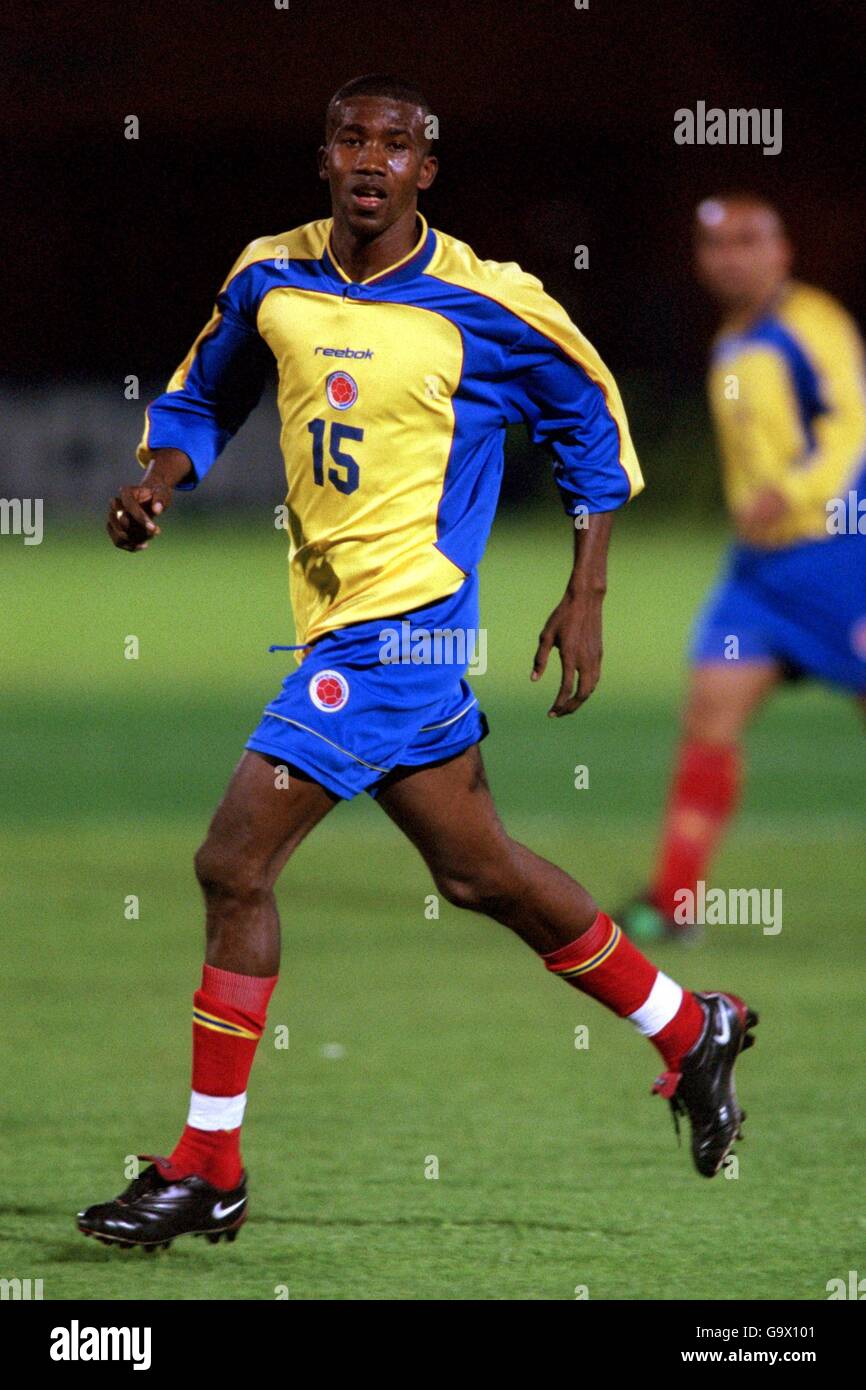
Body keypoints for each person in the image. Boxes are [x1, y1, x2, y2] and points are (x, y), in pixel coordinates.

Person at [78, 79, 757, 1250]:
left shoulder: (487, 303)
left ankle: (207, 1165)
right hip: (339, 618)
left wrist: (584, 589)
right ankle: (684, 1024)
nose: (371, 158)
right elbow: (203, 394)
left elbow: (589, 413)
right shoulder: (269, 275)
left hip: (404, 629)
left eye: (395, 144)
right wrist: (157, 482)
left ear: (425, 172)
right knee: (481, 872)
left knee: (232, 862)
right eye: (351, 137)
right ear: (324, 156)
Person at [621, 195, 866, 943]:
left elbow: (853, 426)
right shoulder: (734, 333)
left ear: (782, 251)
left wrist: (789, 492)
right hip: (758, 577)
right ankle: (675, 903)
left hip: (838, 559)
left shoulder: (810, 324)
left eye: (747, 242)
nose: (730, 256)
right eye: (715, 244)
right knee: (709, 715)